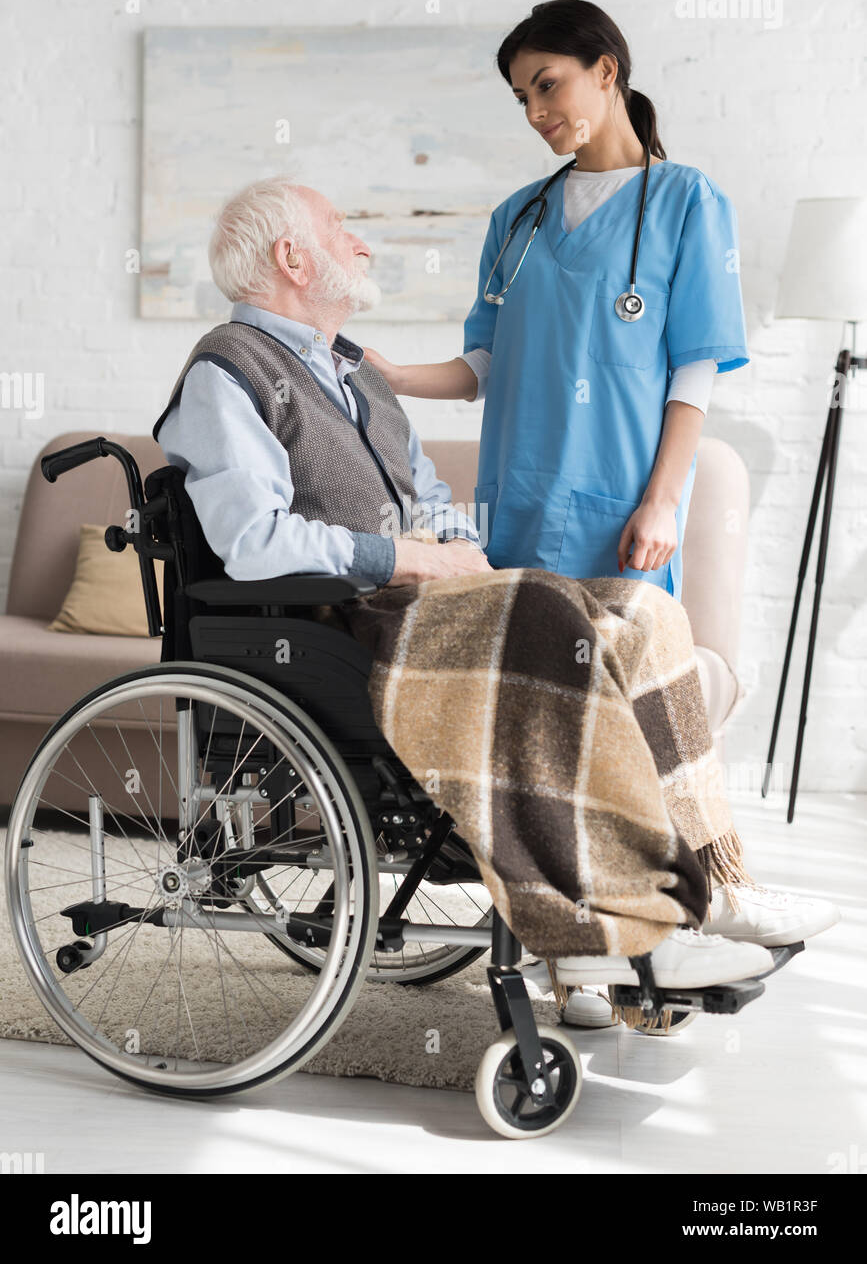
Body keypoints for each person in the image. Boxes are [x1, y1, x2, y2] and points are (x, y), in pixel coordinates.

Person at [153, 176, 838, 1013]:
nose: (361, 242)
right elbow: (251, 543)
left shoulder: (353, 372)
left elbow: (426, 496)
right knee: (549, 618)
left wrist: (458, 548)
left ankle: (709, 878)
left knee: (643, 610)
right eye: (342, 228)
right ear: (291, 257)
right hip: (337, 624)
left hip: (421, 603)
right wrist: (408, 557)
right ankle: (615, 933)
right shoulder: (227, 373)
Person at [363, 0, 749, 604]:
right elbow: (487, 363)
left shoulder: (688, 202)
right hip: (515, 498)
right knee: (515, 684)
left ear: (605, 70)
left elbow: (694, 373)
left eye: (547, 85)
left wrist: (662, 504)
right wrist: (394, 376)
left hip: (620, 509)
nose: (536, 112)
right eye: (522, 99)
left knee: (613, 682)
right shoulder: (516, 217)